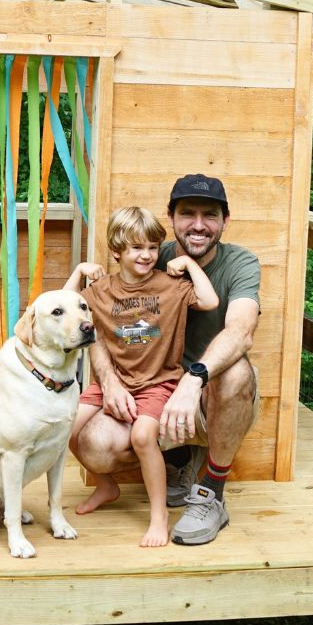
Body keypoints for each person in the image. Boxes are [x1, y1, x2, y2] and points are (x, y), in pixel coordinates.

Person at [73, 174, 261, 546]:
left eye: (210, 215)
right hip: (145, 386)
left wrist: (194, 380)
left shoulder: (239, 263)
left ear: (225, 220)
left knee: (236, 371)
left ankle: (210, 491)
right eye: (187, 213)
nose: (198, 224)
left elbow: (240, 330)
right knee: (89, 442)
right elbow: (95, 318)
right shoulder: (149, 254)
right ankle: (177, 464)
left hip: (203, 393)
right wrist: (108, 381)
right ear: (171, 219)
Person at [63, 206, 218, 547]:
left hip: (157, 382)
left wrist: (190, 265)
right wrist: (78, 271)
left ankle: (159, 515)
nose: (147, 256)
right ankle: (107, 487)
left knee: (144, 436)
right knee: (65, 428)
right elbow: (65, 308)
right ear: (117, 251)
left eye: (151, 247)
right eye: (136, 248)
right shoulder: (101, 290)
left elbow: (209, 300)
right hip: (111, 383)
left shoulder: (171, 286)